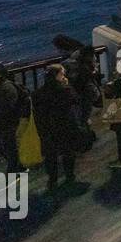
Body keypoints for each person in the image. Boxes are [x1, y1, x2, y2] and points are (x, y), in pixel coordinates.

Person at [32, 63, 82, 192]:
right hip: (64, 126)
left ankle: (52, 179)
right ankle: (69, 175)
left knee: (51, 156)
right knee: (68, 152)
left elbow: (37, 113)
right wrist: (67, 85)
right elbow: (76, 100)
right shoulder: (64, 90)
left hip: (48, 128)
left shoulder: (38, 93)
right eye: (62, 74)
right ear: (57, 75)